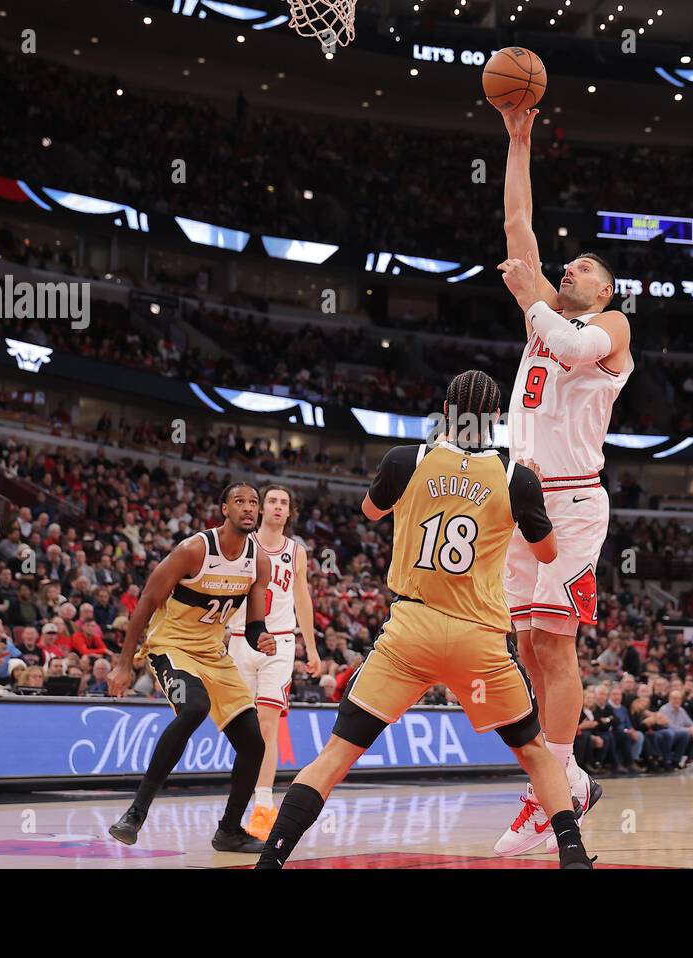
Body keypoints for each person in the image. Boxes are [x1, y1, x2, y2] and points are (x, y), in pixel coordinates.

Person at [254, 371, 591, 869]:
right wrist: (525, 498)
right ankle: (573, 855)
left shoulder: (405, 460)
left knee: (335, 756)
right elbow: (546, 553)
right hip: (478, 639)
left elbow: (371, 511)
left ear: (446, 412)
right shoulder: (516, 475)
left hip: (410, 631)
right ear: (497, 418)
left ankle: (271, 859)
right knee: (535, 751)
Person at [491, 106, 633, 855]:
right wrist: (517, 141)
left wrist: (531, 297)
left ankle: (560, 782)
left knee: (556, 646)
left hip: (574, 503)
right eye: (568, 264)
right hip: (523, 503)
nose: (571, 267)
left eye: (586, 267)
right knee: (523, 644)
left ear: (605, 291)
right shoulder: (542, 315)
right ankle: (557, 782)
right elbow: (520, 226)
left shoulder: (610, 331)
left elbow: (571, 341)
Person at [105, 482, 272, 854]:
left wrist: (263, 637)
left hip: (214, 653)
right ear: (224, 509)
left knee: (253, 744)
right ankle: (135, 814)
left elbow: (255, 622)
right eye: (239, 501)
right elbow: (146, 602)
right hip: (171, 648)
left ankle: (229, 831)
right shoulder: (194, 549)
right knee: (194, 707)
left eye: (253, 502)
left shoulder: (259, 561)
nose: (248, 508)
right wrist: (122, 665)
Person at [225, 484, 321, 838]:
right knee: (243, 729)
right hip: (238, 640)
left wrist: (311, 648)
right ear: (261, 509)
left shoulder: (296, 552)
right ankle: (240, 805)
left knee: (268, 724)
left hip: (279, 643)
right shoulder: (240, 545)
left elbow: (303, 600)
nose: (278, 507)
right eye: (273, 502)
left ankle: (264, 805)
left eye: (284, 502)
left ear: (288, 511)